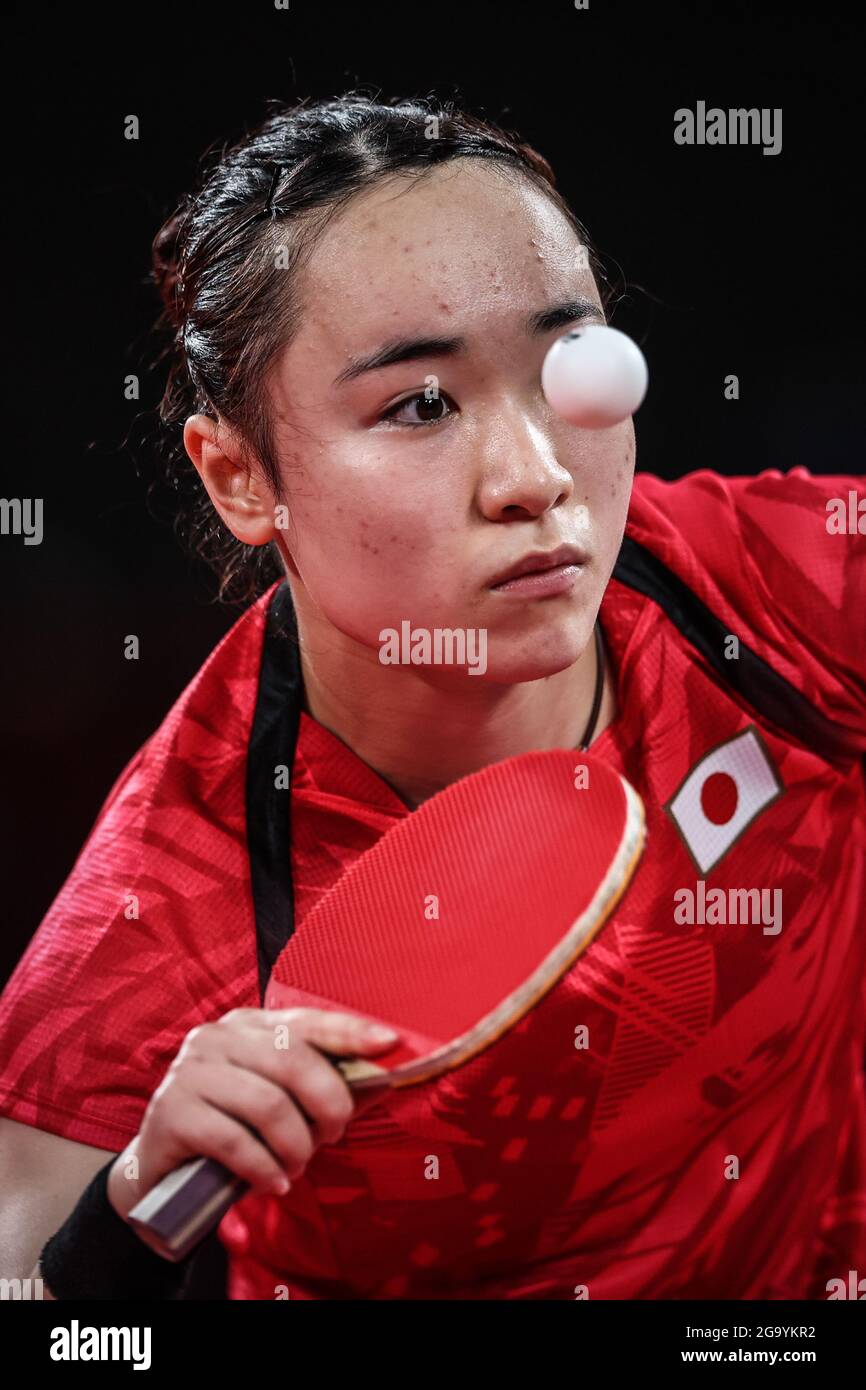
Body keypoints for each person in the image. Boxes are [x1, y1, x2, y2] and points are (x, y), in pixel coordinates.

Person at [1, 93, 864, 1301]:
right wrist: (127, 1222)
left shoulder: (765, 588)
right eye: (420, 404)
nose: (535, 478)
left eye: (565, 362)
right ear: (242, 476)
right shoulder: (156, 929)